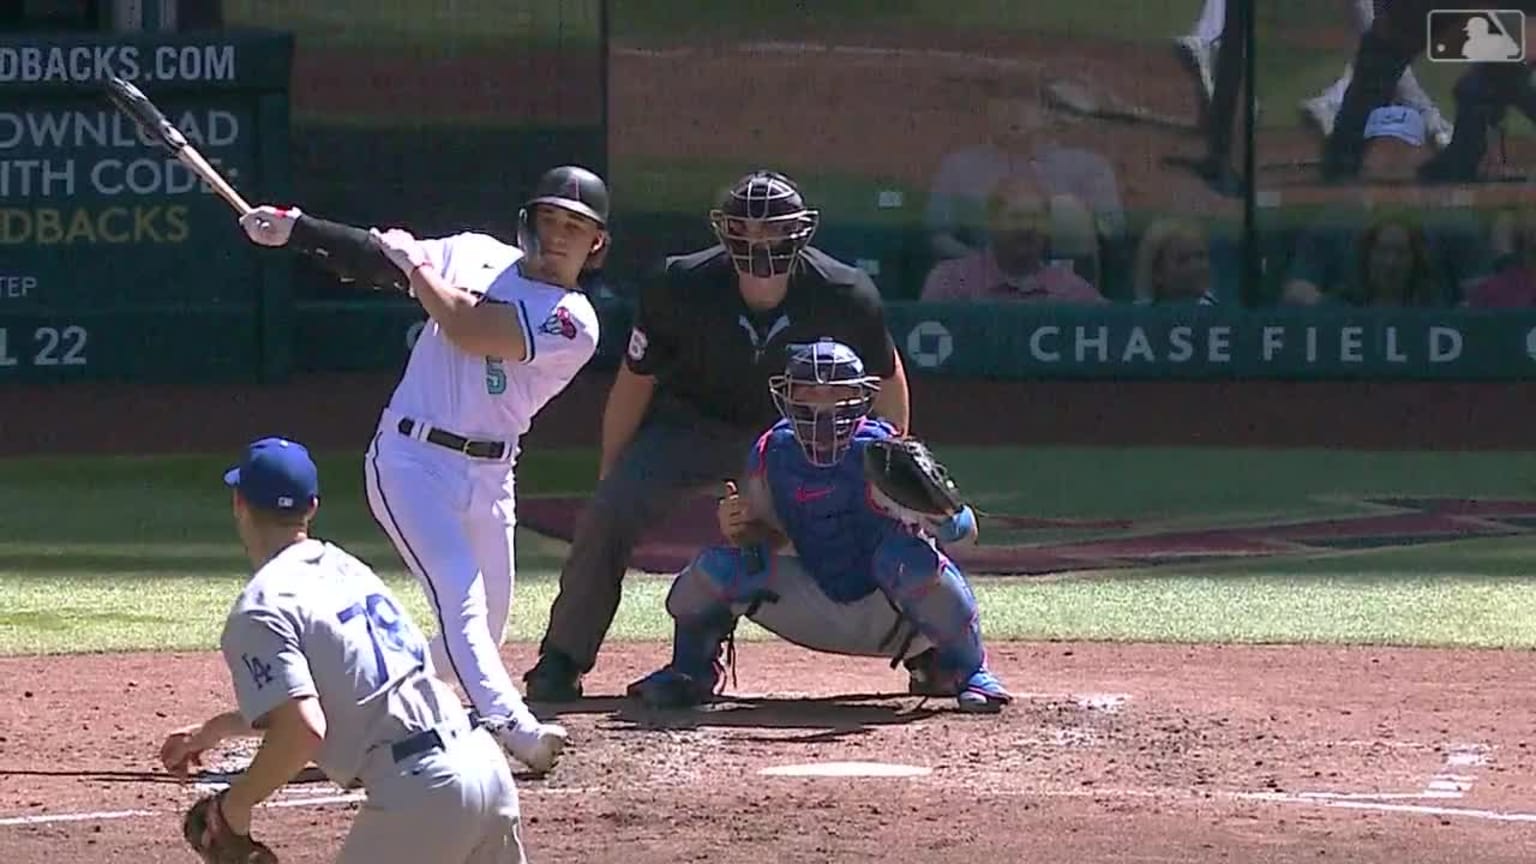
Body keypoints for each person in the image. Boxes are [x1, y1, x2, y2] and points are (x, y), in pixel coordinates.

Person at [236, 165, 613, 773]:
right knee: (461, 602)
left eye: (575, 227)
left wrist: (416, 268)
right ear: (528, 222)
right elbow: (378, 258)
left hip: (492, 474)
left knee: (487, 623)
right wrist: (296, 230)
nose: (558, 236)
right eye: (549, 219)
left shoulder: (574, 320)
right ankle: (516, 729)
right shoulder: (474, 253)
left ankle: (350, 707)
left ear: (596, 244)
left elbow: (467, 327)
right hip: (411, 460)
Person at [522, 169, 912, 701]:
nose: (759, 243)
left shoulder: (844, 293)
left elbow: (886, 380)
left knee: (866, 521)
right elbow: (635, 382)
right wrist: (613, 473)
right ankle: (562, 657)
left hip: (795, 439)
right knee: (609, 510)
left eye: (773, 231)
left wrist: (883, 465)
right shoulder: (678, 285)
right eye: (745, 230)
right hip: (689, 428)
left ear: (800, 233)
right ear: (724, 231)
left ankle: (930, 648)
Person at [158, 437, 531, 862]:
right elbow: (342, 695)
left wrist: (234, 806)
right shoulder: (350, 569)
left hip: (424, 796)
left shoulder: (260, 607)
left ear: (238, 503)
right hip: (486, 767)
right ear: (312, 507)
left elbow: (303, 729)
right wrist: (216, 730)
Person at [626, 340, 1012, 713]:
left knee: (907, 560)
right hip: (811, 602)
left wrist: (943, 513)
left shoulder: (885, 455)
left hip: (895, 614)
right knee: (715, 568)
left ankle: (968, 671)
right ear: (788, 396)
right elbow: (765, 541)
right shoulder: (772, 454)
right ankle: (689, 671)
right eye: (810, 392)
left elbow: (964, 537)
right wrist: (741, 528)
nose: (824, 405)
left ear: (861, 397)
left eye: (837, 393)